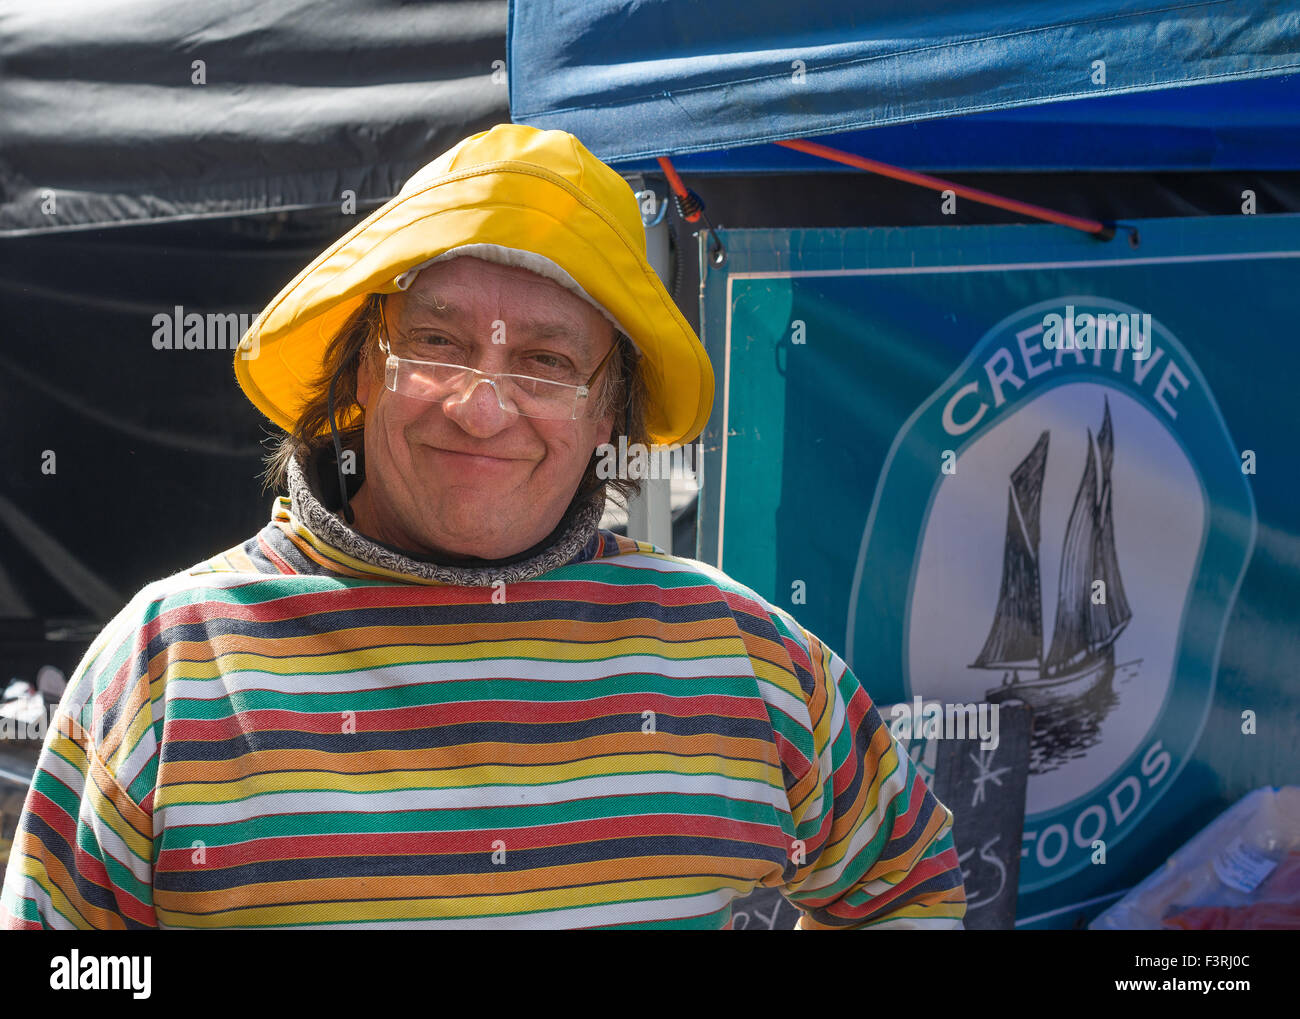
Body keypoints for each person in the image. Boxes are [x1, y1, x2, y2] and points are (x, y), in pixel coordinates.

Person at [0, 124, 966, 930]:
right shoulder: (168, 664)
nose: (482, 407)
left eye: (547, 360)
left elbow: (910, 881)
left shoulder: (743, 661)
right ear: (361, 365)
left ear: (607, 410)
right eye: (437, 342)